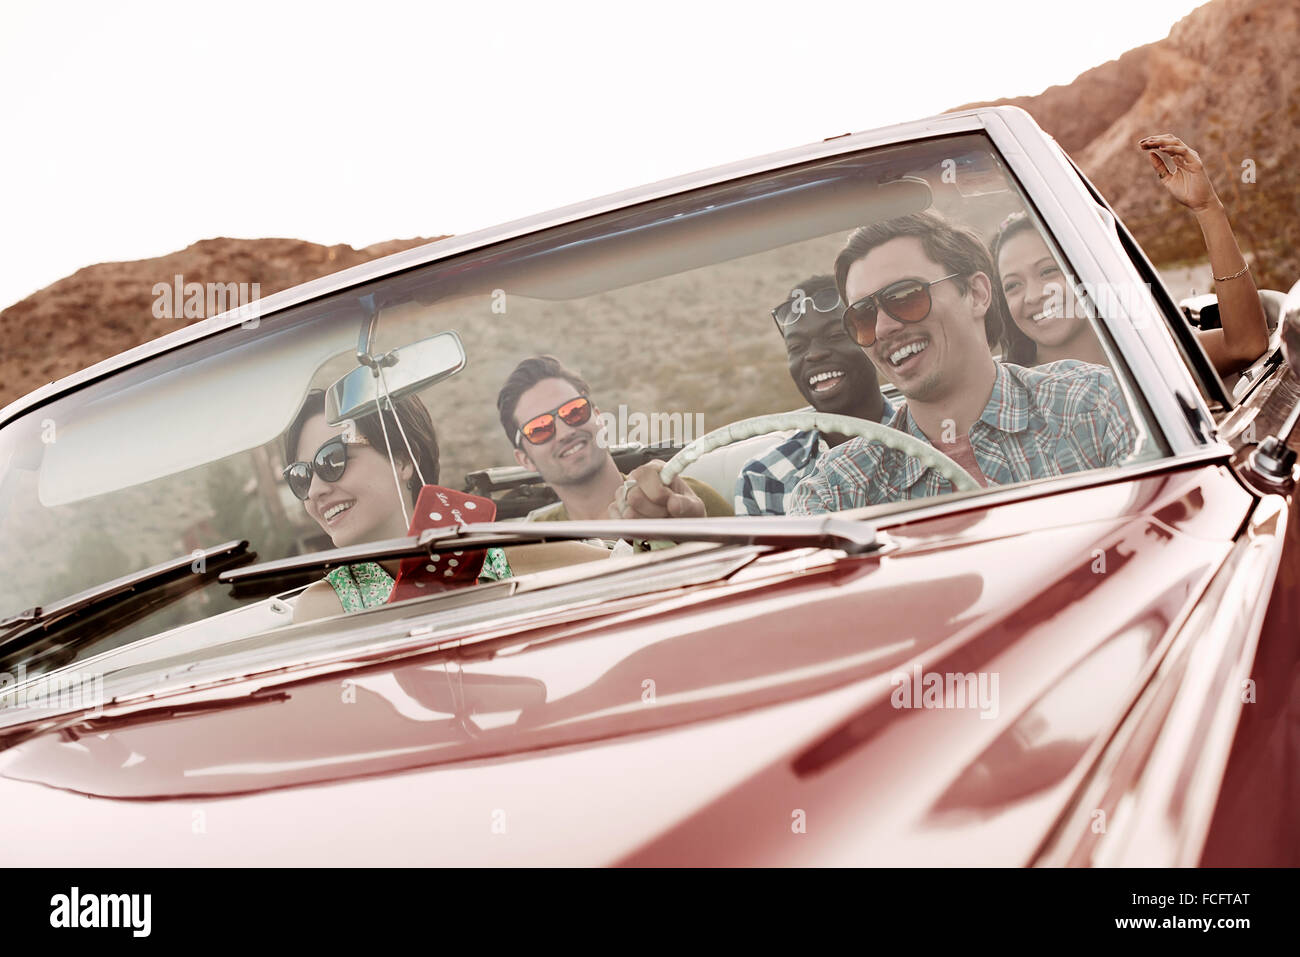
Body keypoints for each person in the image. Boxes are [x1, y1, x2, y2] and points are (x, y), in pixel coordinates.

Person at [787, 211, 1137, 514]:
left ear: (977, 294)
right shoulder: (836, 490)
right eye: (862, 317)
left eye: (905, 297)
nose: (883, 327)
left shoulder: (1092, 405)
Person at [286, 390, 603, 623]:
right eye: (300, 477)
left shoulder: (496, 554)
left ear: (402, 460)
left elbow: (633, 567)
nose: (314, 491)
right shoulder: (324, 607)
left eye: (331, 460)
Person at [993, 133, 1269, 376]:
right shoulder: (1009, 392)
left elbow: (1245, 345)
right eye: (1013, 285)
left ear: (1087, 272)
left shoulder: (1148, 360)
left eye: (1047, 271)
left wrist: (1207, 208)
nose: (1032, 296)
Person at [496, 355, 733, 523]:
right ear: (524, 459)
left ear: (600, 418)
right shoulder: (527, 546)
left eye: (574, 411)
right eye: (540, 429)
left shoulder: (682, 497)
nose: (566, 432)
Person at [734, 274, 897, 515]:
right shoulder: (763, 478)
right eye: (796, 347)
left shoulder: (929, 439)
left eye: (835, 336)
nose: (814, 355)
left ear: (870, 340)